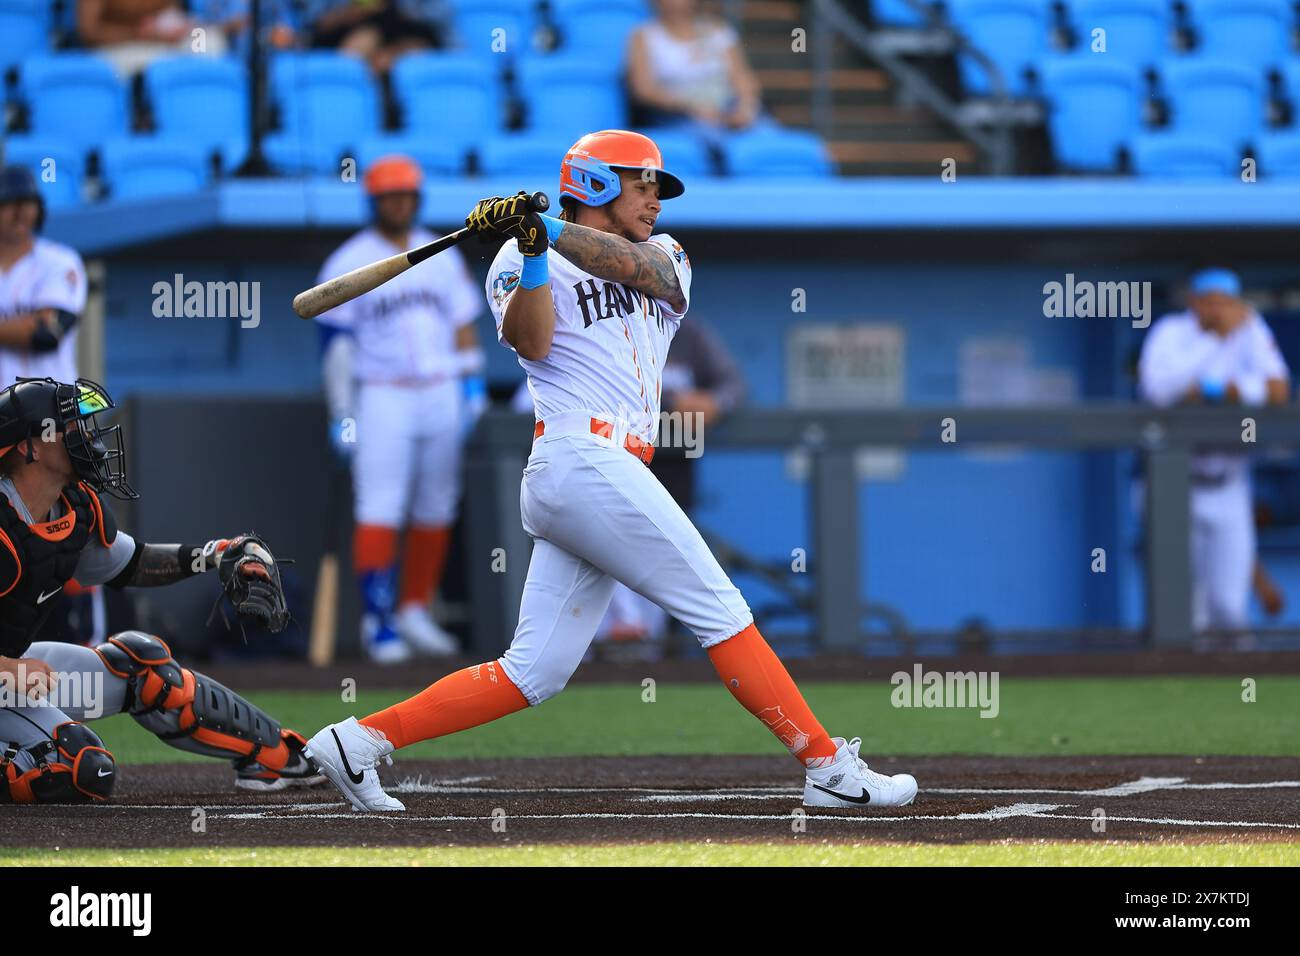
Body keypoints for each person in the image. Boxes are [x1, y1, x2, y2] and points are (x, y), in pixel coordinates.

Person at [304, 129, 918, 813]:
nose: (655, 198)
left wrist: (548, 227)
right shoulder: (516, 257)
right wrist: (535, 249)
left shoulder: (666, 254)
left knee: (532, 672)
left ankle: (355, 741)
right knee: (721, 610)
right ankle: (827, 767)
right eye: (643, 184)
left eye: (656, 186)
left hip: (603, 470)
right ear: (597, 182)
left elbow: (636, 271)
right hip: (578, 457)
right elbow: (530, 340)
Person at [0, 377, 324, 802]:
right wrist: (7, 671)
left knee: (144, 669)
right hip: (8, 679)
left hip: (14, 681)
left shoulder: (73, 506)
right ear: (31, 446)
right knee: (77, 767)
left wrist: (214, 555)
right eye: (72, 425)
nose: (88, 435)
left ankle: (280, 757)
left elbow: (132, 565)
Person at [314, 155, 485, 663]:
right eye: (391, 196)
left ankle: (414, 609)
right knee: (379, 506)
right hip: (382, 393)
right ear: (373, 201)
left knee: (437, 503)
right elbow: (335, 347)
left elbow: (462, 322)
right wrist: (341, 414)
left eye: (407, 195)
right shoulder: (349, 259)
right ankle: (378, 620)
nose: (400, 204)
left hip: (441, 390)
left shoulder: (443, 251)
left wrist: (472, 384)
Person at [1138, 267, 1291, 638]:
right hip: (1175, 486)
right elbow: (1160, 392)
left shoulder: (1249, 327)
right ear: (1195, 302)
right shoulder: (1171, 333)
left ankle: (1241, 692)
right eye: (1211, 302)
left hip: (1230, 482)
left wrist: (1221, 390)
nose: (1220, 310)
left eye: (1226, 302)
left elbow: (1278, 390)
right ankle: (1180, 689)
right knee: (1185, 607)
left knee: (1228, 606)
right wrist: (1215, 343)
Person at [626, 0, 768, 148]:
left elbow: (742, 78)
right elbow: (644, 90)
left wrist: (746, 106)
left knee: (763, 134)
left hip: (725, 107)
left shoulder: (717, 30)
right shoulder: (644, 36)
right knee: (710, 138)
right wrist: (692, 106)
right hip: (677, 115)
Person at [0, 166, 83, 388]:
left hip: (50, 408)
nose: (20, 213)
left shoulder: (60, 261)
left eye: (27, 203)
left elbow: (47, 333)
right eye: (10, 203)